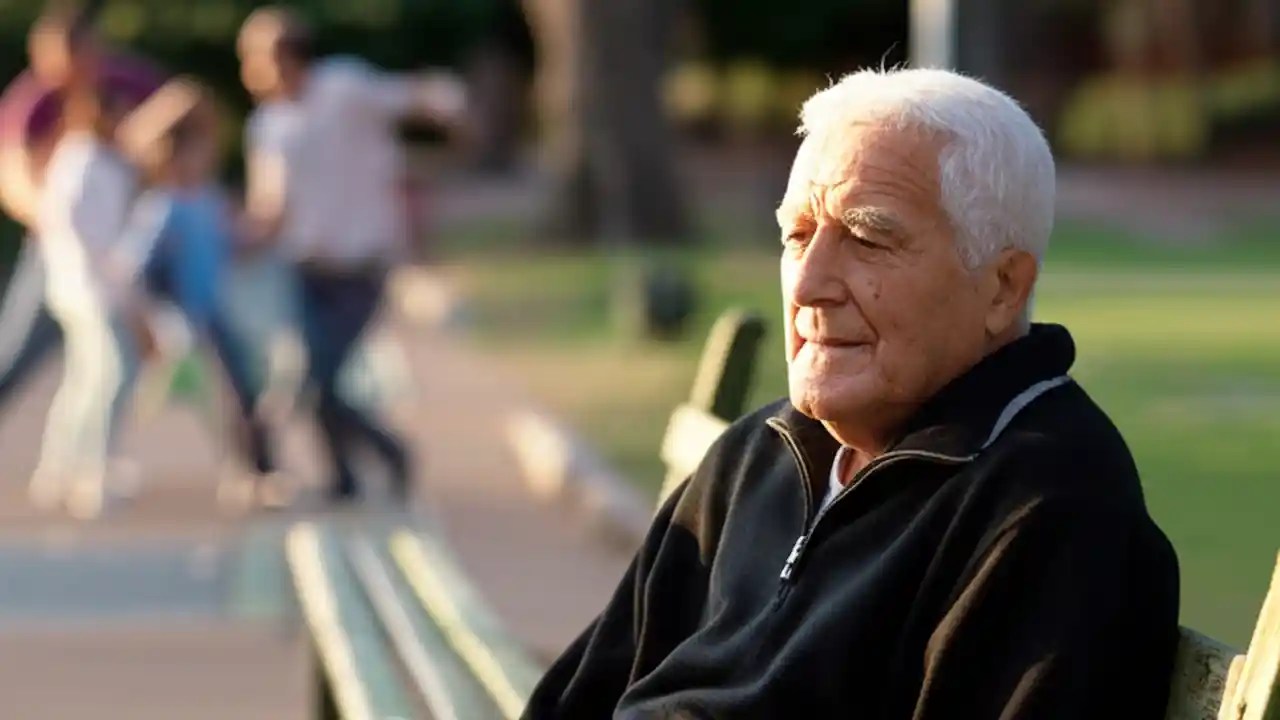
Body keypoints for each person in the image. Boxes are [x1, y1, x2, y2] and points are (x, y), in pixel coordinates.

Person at [522, 68, 1181, 719]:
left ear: (1003, 286)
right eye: (797, 236)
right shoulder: (754, 455)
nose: (808, 284)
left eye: (868, 238)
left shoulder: (1048, 507)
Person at [236, 6, 466, 503]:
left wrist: (451, 105)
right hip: (305, 270)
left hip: (360, 267)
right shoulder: (268, 126)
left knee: (320, 376)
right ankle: (344, 476)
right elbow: (269, 208)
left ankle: (389, 451)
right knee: (313, 377)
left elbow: (412, 96)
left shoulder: (343, 89)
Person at [114, 77, 281, 505]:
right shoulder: (163, 208)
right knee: (214, 399)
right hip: (188, 322)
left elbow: (232, 244)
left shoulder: (207, 200)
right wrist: (155, 322)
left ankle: (256, 469)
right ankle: (242, 469)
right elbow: (138, 269)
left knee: (245, 393)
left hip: (217, 313)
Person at [0, 4, 164, 411]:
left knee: (165, 354)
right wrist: (69, 217)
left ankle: (253, 459)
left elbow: (175, 126)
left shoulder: (130, 84)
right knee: (17, 353)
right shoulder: (35, 99)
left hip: (128, 243)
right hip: (64, 250)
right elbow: (14, 178)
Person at [28, 81, 148, 518]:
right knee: (113, 376)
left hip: (87, 287)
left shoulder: (99, 161)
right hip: (91, 289)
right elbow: (77, 227)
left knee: (86, 380)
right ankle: (89, 474)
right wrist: (109, 278)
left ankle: (61, 469)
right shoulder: (82, 160)